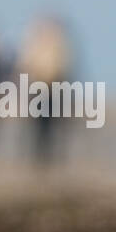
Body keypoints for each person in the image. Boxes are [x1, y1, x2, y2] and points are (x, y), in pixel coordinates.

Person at [16, 14, 73, 164]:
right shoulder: (33, 43)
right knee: (38, 125)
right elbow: (26, 64)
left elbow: (64, 66)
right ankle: (38, 156)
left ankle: (51, 157)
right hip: (37, 88)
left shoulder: (60, 44)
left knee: (54, 125)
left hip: (55, 87)